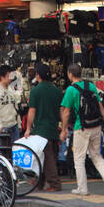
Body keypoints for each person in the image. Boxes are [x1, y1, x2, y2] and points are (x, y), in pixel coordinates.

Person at [60, 63, 104, 195]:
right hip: (96, 125)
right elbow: (100, 106)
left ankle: (83, 188)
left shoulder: (71, 90)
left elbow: (66, 112)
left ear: (70, 74)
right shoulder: (91, 86)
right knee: (96, 155)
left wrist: (63, 129)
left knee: (79, 159)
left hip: (82, 127)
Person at [24, 63, 63, 192]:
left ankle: (55, 183)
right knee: (44, 155)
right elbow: (61, 110)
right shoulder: (57, 91)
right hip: (53, 127)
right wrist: (62, 125)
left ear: (38, 75)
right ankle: (39, 182)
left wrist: (28, 128)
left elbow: (32, 111)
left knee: (47, 156)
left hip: (40, 128)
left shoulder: (35, 91)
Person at [0, 64, 21, 142]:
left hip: (13, 125)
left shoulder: (11, 88)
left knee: (15, 150)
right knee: (2, 152)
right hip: (1, 127)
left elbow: (15, 107)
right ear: (2, 77)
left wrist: (19, 123)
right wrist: (0, 125)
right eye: (9, 76)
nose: (11, 78)